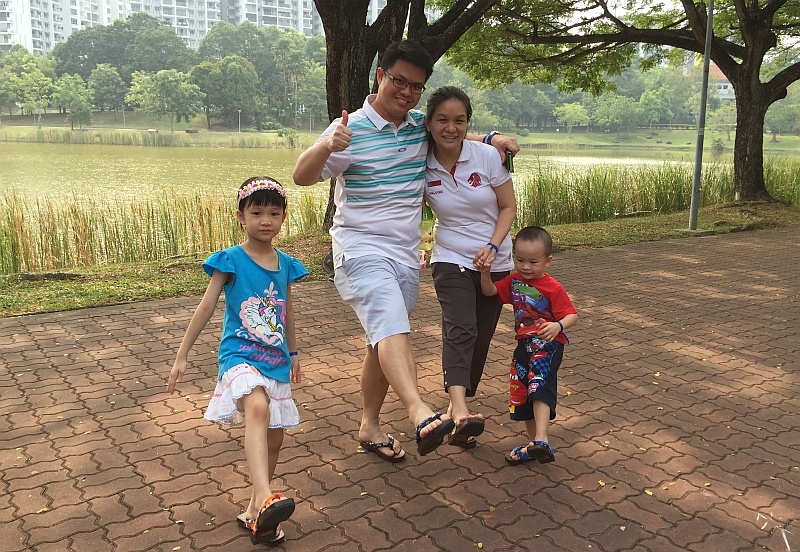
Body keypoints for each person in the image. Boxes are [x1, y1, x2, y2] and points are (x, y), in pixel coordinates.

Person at [292, 40, 519, 461]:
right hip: (359, 249)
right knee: (391, 325)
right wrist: (327, 144)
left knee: (380, 339)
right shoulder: (349, 129)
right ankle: (418, 411)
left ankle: (369, 426)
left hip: (403, 255)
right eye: (399, 81)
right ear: (380, 76)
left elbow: (449, 131)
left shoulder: (417, 126)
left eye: (416, 86)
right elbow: (301, 177)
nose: (407, 92)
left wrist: (492, 137)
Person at [167, 176, 308, 545]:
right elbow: (207, 305)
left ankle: (253, 513)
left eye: (274, 213)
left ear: (283, 218)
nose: (266, 220)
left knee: (275, 440)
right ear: (240, 216)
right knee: (257, 409)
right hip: (239, 355)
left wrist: (293, 352)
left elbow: (287, 311)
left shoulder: (287, 264)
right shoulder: (230, 259)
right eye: (257, 212)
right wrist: (182, 355)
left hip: (275, 359)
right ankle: (265, 497)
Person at [423, 86, 516, 450]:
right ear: (428, 123)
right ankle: (461, 410)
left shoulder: (487, 157)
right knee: (460, 326)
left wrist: (493, 246)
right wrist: (418, 244)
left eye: (459, 120)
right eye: (442, 120)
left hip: (497, 261)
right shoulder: (421, 159)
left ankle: (454, 416)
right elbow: (413, 209)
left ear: (468, 124)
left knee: (479, 336)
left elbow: (507, 207)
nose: (451, 128)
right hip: (450, 257)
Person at [478, 226, 578, 465]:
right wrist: (485, 273)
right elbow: (491, 291)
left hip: (547, 344)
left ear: (547, 261)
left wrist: (558, 327)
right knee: (520, 392)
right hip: (523, 346)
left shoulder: (553, 287)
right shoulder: (513, 281)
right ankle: (534, 445)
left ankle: (542, 439)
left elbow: (572, 315)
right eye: (519, 259)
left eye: (533, 262)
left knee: (538, 385)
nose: (525, 266)